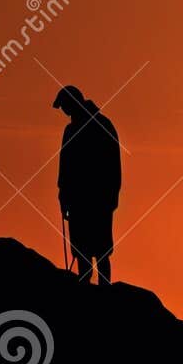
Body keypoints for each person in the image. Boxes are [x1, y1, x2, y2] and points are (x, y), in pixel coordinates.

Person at [53, 85, 121, 284]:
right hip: (80, 201)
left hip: (97, 201)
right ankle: (87, 288)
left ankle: (102, 292)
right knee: (84, 250)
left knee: (99, 251)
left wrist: (110, 197)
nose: (64, 111)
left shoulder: (100, 126)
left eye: (65, 106)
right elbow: (65, 167)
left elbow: (112, 167)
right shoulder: (75, 129)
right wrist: (63, 195)